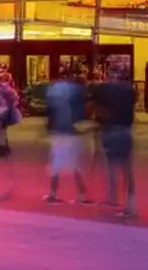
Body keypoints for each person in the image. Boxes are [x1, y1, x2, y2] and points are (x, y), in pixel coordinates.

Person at [91, 66, 137, 217]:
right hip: (125, 130)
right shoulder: (129, 91)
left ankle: (113, 198)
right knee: (127, 169)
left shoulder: (105, 89)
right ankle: (130, 205)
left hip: (110, 130)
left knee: (111, 167)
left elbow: (94, 92)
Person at [44, 67, 90, 204]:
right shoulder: (77, 89)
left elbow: (50, 111)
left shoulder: (54, 90)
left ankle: (53, 193)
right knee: (75, 164)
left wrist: (48, 126)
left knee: (55, 164)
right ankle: (82, 194)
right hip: (75, 131)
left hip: (60, 131)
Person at [0, 68, 20, 159]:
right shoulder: (7, 87)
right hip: (5, 111)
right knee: (2, 130)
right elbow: (15, 97)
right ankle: (3, 148)